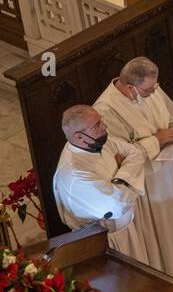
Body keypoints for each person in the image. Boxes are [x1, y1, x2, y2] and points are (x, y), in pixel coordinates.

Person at [93, 57, 173, 281]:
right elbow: (118, 156)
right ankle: (171, 273)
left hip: (171, 170)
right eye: (148, 90)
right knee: (164, 229)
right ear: (130, 87)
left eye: (155, 87)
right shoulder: (106, 109)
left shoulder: (149, 87)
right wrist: (156, 140)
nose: (153, 92)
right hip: (148, 181)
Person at [52, 105, 149, 261]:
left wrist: (117, 179)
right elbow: (117, 205)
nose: (105, 126)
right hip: (106, 243)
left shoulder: (97, 141)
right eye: (97, 125)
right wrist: (122, 170)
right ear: (79, 136)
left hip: (126, 229)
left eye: (101, 121)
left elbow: (135, 154)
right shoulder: (73, 173)